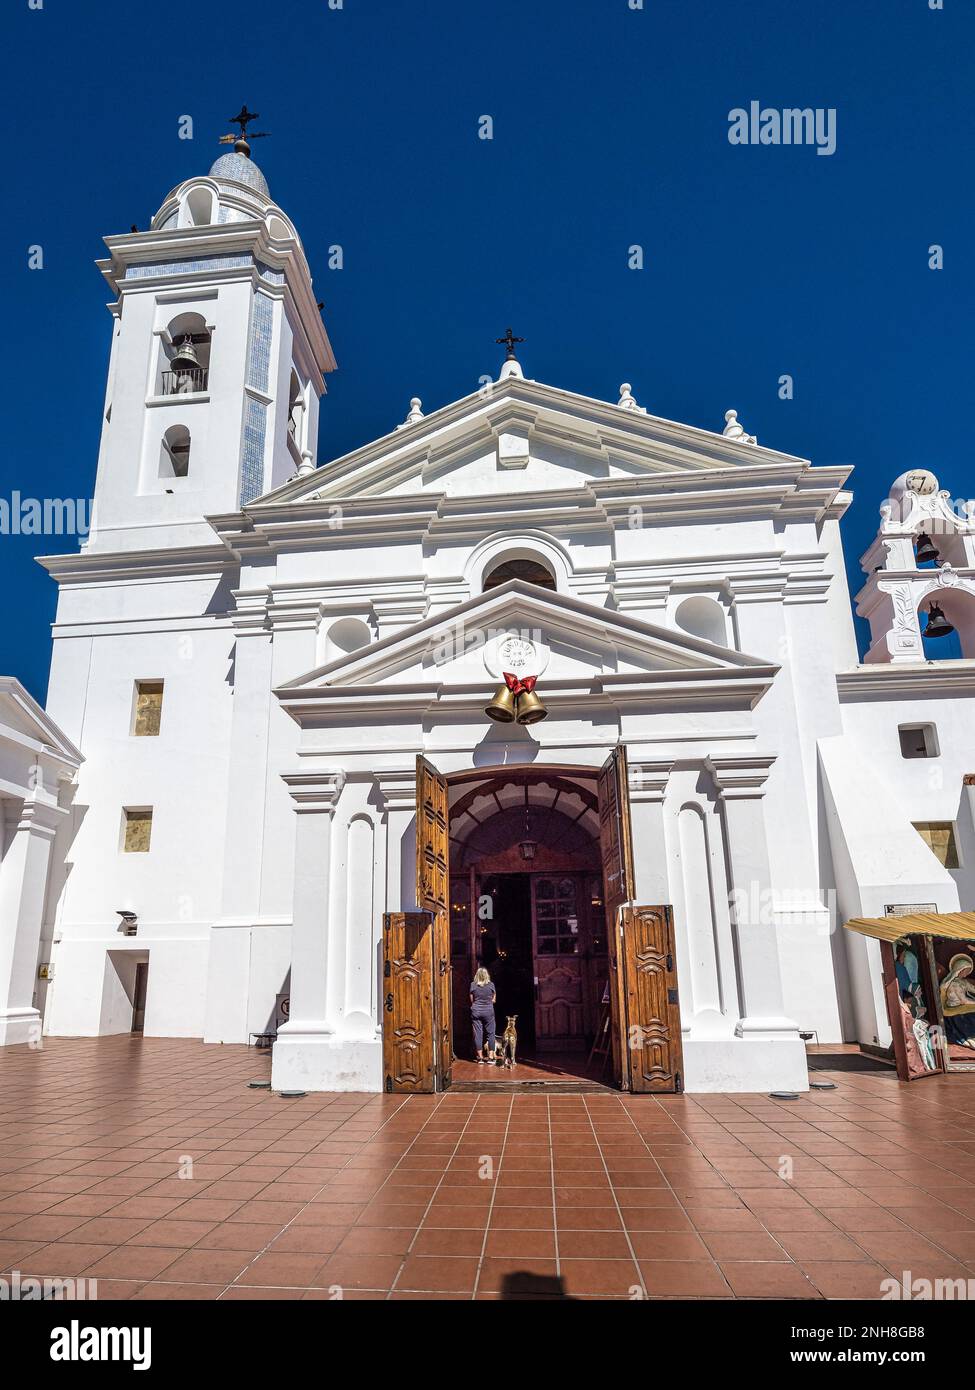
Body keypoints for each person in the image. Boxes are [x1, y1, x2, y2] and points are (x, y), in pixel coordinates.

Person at [469, 967, 497, 1063]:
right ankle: (490, 1057)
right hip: (488, 1011)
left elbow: (472, 1000)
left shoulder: (473, 985)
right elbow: (494, 1000)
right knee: (491, 1033)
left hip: (476, 1011)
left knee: (478, 1033)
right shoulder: (491, 985)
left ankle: (480, 1057)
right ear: (487, 975)